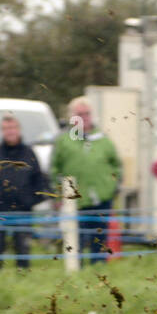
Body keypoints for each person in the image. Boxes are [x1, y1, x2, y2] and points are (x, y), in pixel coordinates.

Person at [51, 96, 122, 260]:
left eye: (87, 114)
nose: (84, 118)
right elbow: (54, 169)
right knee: (78, 241)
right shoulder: (63, 141)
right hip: (75, 199)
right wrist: (57, 192)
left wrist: (112, 187)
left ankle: (97, 272)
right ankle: (78, 275)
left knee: (100, 240)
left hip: (101, 197)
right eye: (79, 114)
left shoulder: (103, 139)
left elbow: (116, 165)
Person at [0, 113, 47, 271]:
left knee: (23, 250)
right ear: (2, 132)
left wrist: (30, 200)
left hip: (23, 210)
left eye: (13, 128)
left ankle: (23, 281)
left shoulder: (29, 153)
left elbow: (39, 180)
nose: (10, 131)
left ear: (19, 129)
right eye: (6, 128)